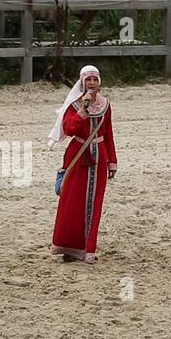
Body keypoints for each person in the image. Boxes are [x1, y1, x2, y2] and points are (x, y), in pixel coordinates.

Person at [48, 65, 117, 264]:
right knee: (72, 201)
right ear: (82, 82)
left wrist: (112, 161)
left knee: (94, 203)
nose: (92, 84)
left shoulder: (105, 104)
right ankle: (68, 247)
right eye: (88, 80)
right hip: (78, 156)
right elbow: (69, 129)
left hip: (99, 158)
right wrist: (83, 111)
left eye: (95, 80)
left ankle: (88, 250)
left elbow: (108, 133)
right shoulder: (74, 105)